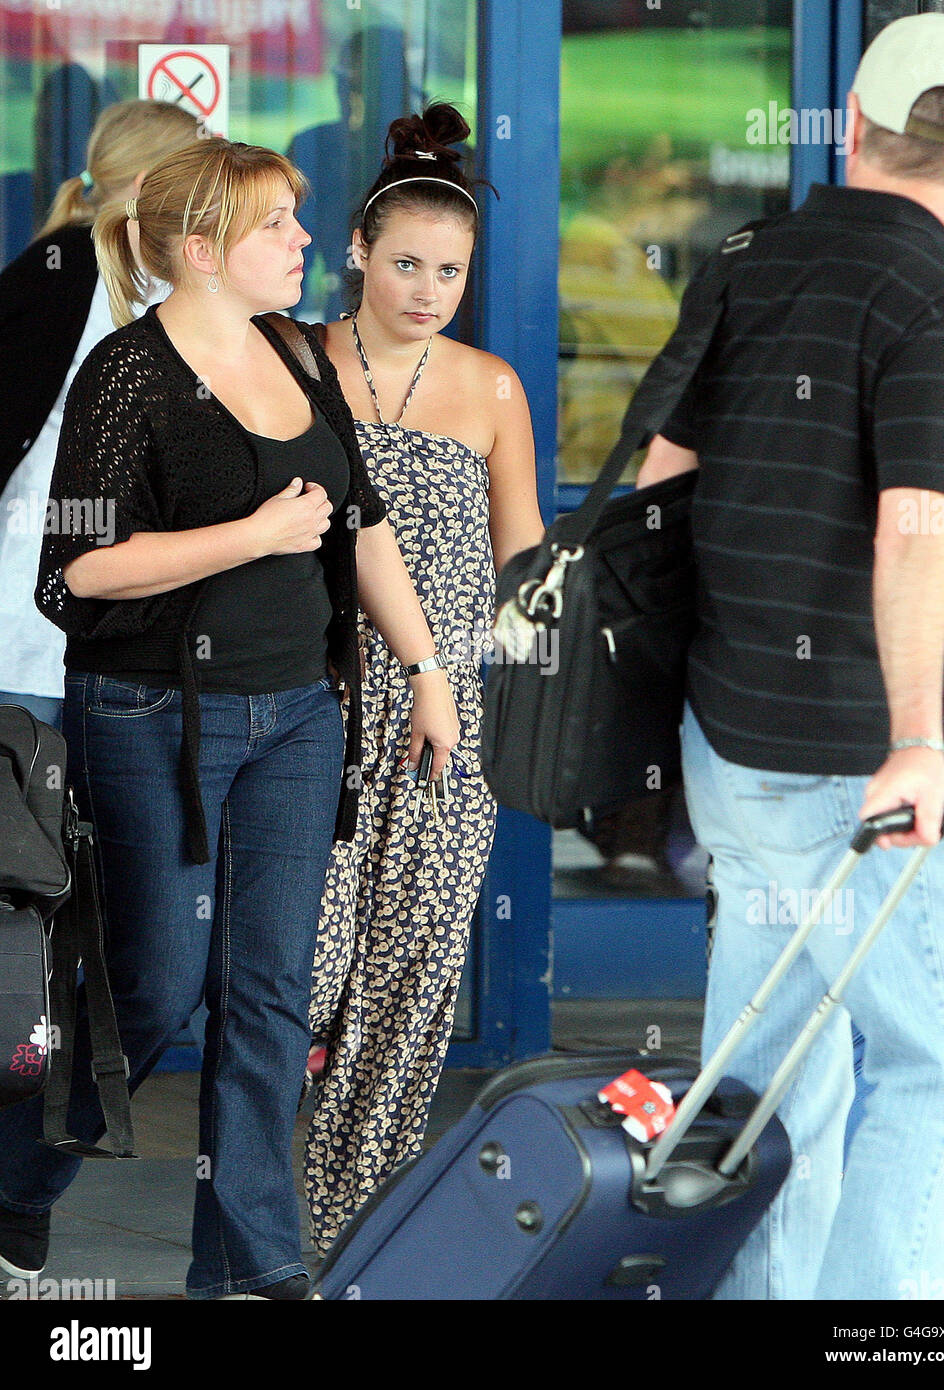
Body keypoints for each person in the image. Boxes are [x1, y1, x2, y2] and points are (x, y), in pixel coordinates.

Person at [0, 137, 459, 1300]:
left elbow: (358, 523)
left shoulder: (296, 356)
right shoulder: (125, 375)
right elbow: (80, 573)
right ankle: (15, 1180)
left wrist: (426, 669)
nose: (305, 241)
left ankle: (252, 1265)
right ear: (202, 250)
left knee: (269, 994)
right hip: (150, 715)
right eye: (278, 227)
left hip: (301, 717)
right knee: (148, 987)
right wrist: (250, 535)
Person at [641, 12, 944, 1299]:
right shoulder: (939, 306)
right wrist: (916, 739)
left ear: (847, 124)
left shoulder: (744, 262)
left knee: (771, 1069)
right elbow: (915, 532)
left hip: (727, 742)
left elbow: (655, 487)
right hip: (857, 765)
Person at [303, 103, 543, 1249]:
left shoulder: (491, 387)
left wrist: (540, 680)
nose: (425, 288)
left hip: (450, 711)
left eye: (448, 270)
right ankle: (255, 1202)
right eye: (404, 262)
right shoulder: (292, 357)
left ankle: (362, 1219)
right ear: (358, 253)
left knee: (417, 957)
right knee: (303, 964)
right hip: (311, 693)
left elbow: (522, 552)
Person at [0, 98, 201, 725]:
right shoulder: (70, 270)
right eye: (193, 181)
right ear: (148, 187)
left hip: (96, 588)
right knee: (32, 796)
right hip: (40, 585)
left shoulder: (69, 264)